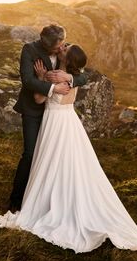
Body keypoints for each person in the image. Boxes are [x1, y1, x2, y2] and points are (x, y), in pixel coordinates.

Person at [0, 43, 137, 256]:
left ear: (66, 58)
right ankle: (64, 196)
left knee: (50, 161)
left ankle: (46, 201)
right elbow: (71, 86)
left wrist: (43, 78)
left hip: (54, 121)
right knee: (70, 163)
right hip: (69, 121)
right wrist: (47, 76)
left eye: (65, 49)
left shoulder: (57, 75)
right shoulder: (73, 75)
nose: (62, 47)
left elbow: (38, 98)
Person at [7, 24, 89, 213]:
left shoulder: (64, 49)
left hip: (57, 116)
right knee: (30, 154)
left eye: (63, 46)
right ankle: (16, 200)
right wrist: (52, 87)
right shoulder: (30, 50)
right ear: (46, 45)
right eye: (58, 48)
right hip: (34, 111)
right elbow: (28, 80)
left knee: (53, 157)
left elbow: (83, 74)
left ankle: (51, 197)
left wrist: (69, 77)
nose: (62, 48)